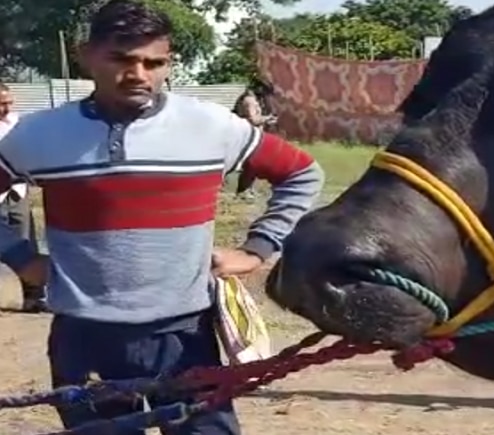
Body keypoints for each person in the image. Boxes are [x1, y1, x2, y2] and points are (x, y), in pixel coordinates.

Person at [0, 1, 323, 433]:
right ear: (86, 55)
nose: (139, 74)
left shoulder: (211, 126)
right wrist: (19, 255)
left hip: (184, 337)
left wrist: (258, 248)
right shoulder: (38, 135)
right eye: (122, 59)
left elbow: (302, 173)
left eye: (155, 63)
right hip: (84, 338)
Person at [0, 83, 44, 313]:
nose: (6, 108)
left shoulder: (18, 125)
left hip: (17, 192)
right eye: (1, 104)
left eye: (9, 103)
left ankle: (33, 296)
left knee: (24, 243)